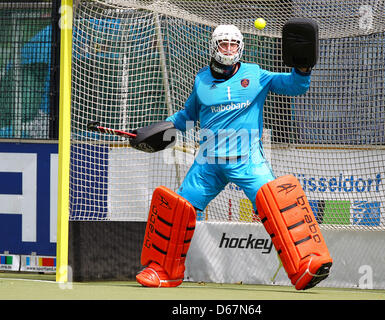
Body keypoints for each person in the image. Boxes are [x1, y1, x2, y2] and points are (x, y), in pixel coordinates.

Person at [133, 23, 332, 290]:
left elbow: (294, 86)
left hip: (247, 160)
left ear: (240, 47)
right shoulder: (201, 80)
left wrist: (303, 69)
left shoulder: (256, 74)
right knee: (178, 210)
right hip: (209, 163)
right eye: (223, 44)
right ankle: (161, 271)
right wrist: (161, 127)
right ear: (214, 47)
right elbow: (186, 116)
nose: (228, 49)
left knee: (279, 205)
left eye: (233, 44)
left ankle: (308, 263)